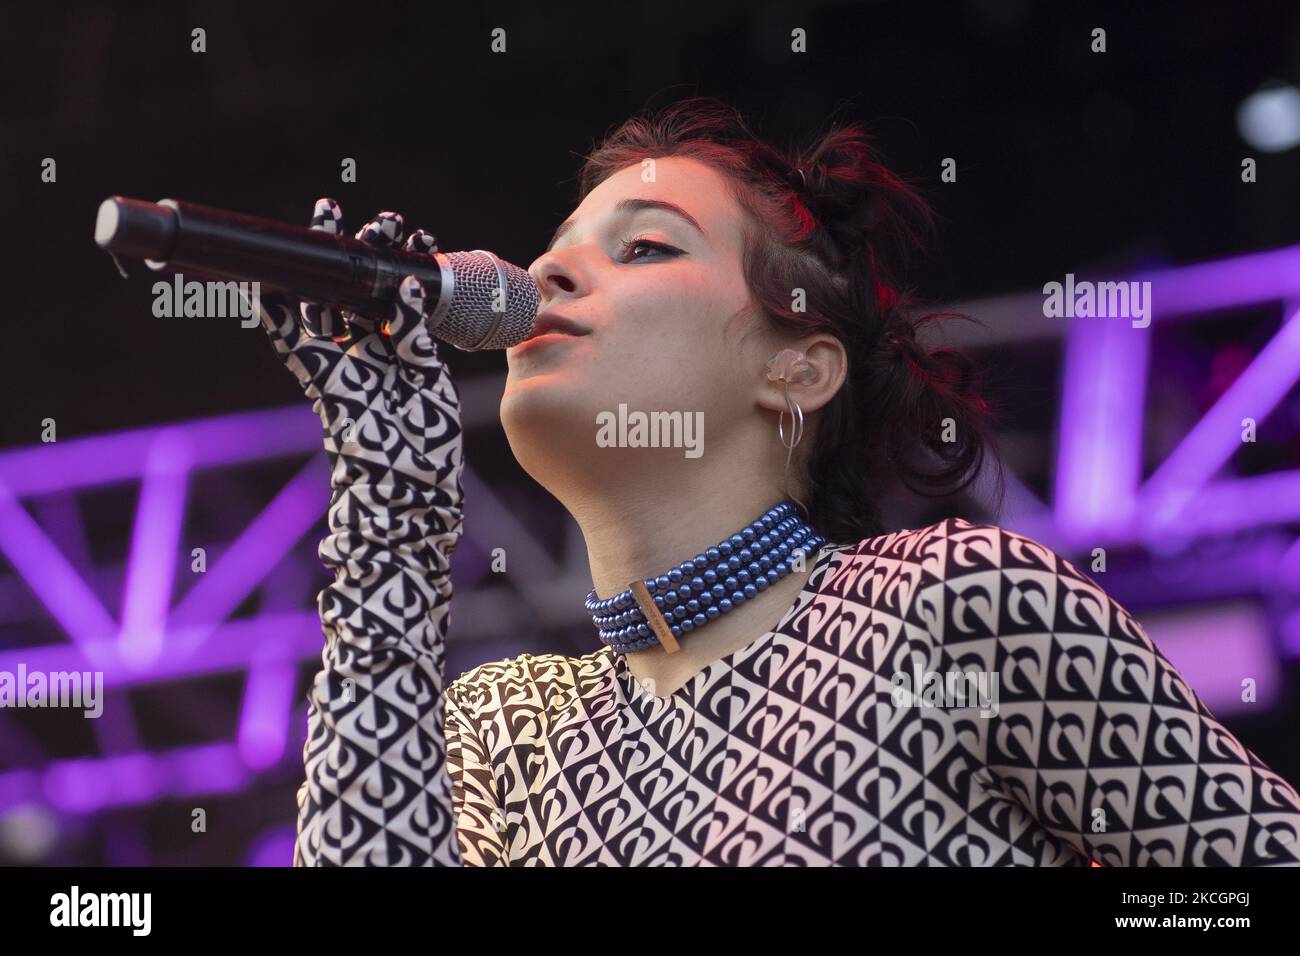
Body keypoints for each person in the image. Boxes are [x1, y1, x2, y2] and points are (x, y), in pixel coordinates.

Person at [257, 96, 1300, 866]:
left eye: (647, 248)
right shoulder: (498, 727)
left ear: (794, 366)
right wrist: (389, 498)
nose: (548, 277)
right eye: (554, 251)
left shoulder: (953, 605)